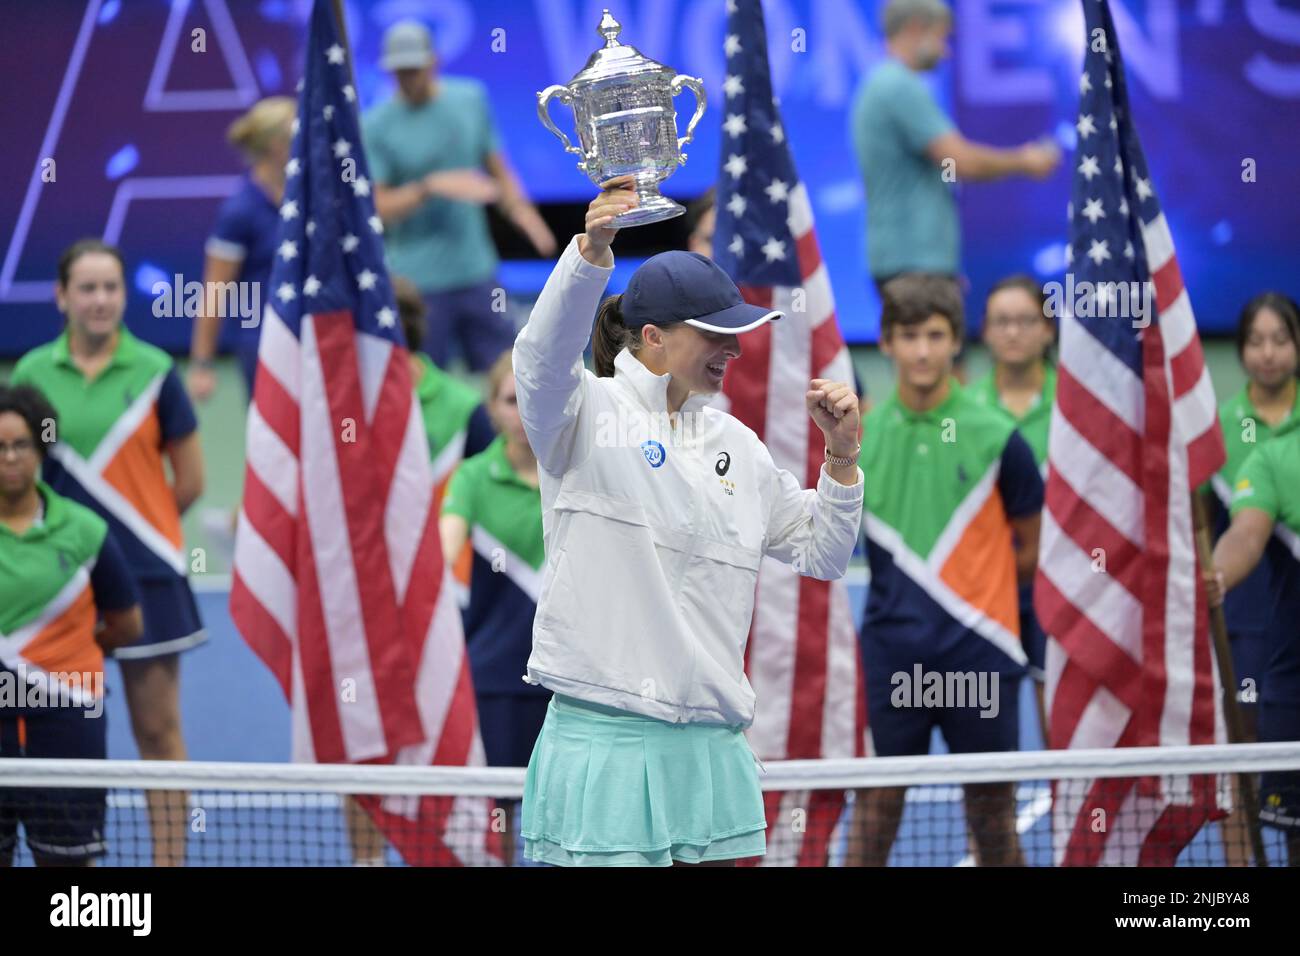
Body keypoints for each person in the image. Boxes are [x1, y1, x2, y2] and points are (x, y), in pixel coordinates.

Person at [513, 176, 863, 867]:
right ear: (652, 338)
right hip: (605, 745)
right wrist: (592, 249)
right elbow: (540, 357)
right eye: (714, 334)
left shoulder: (738, 444)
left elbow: (823, 553)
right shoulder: (583, 414)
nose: (733, 348)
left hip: (712, 748)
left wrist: (843, 459)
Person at [12, 239, 206, 867]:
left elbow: (192, 480)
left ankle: (168, 866)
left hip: (146, 578)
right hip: (55, 588)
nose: (100, 300)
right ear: (61, 296)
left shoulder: (155, 371)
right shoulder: (31, 375)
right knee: (48, 733)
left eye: (111, 288)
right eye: (87, 289)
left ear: (125, 296)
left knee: (157, 732)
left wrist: (136, 541)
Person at [847, 273, 1043, 867]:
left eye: (935, 335)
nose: (923, 350)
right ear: (885, 343)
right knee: (878, 809)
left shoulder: (999, 437)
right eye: (909, 336)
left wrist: (968, 594)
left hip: (981, 655)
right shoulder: (857, 439)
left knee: (991, 817)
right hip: (891, 658)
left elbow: (1030, 550)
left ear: (957, 341)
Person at [0, 384, 143, 867]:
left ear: (40, 448)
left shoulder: (86, 531)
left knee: (69, 870)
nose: (10, 457)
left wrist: (64, 659)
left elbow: (127, 623)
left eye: (21, 444)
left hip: (68, 717)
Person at [363, 19, 557, 370]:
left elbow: (497, 168)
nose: (407, 78)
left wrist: (525, 215)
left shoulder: (470, 98)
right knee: (423, 381)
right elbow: (378, 207)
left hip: (477, 272)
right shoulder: (375, 124)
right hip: (417, 282)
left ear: (434, 62)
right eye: (400, 71)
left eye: (414, 69)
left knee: (508, 372)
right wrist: (429, 186)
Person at [850, 0, 1059, 294]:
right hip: (914, 263)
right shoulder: (898, 86)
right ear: (914, 29)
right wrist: (1024, 160)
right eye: (940, 37)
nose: (946, 51)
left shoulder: (882, 83)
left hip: (911, 261)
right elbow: (960, 161)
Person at [439, 350, 548, 865]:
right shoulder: (472, 478)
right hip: (496, 676)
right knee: (499, 814)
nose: (522, 412)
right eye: (510, 400)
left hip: (573, 678)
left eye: (532, 399)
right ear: (491, 409)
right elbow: (443, 547)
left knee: (569, 813)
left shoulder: (576, 474)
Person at [1205, 292, 1299, 866]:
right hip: (1240, 618)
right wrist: (1214, 576)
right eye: (1256, 341)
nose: (1268, 353)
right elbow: (1234, 533)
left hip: (1289, 616)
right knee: (1240, 763)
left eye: (1280, 339)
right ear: (1240, 350)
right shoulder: (1215, 433)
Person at [968, 275, 1055, 738]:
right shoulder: (964, 410)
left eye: (1025, 321)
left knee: (1058, 717)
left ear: (1048, 331)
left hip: (1058, 588)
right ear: (985, 331)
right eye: (1002, 322)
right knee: (989, 727)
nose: (1013, 332)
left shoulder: (1081, 408)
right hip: (987, 590)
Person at [188, 96, 295, 403]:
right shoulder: (239, 211)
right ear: (276, 144)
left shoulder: (308, 201)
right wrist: (202, 363)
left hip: (312, 340)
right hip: (263, 346)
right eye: (296, 135)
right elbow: (215, 290)